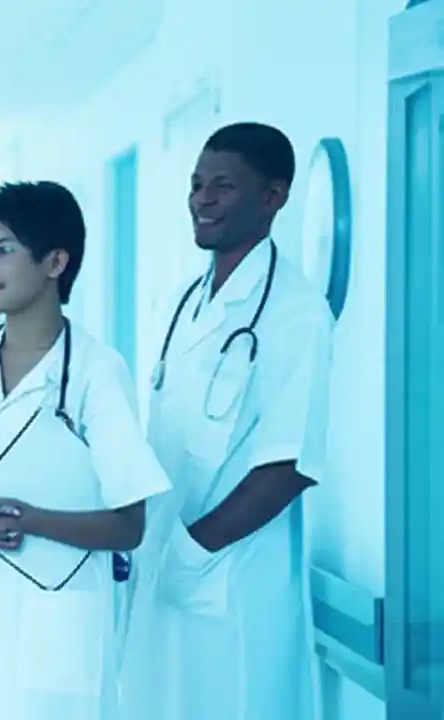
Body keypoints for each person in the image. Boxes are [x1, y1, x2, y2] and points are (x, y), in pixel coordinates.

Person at [0, 181, 171, 719]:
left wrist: (31, 519)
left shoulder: (94, 371)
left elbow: (128, 526)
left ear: (55, 263)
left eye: (4, 249)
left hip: (55, 618)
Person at [119, 122, 334, 720]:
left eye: (223, 186)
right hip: (163, 560)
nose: (202, 199)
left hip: (230, 579)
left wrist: (193, 550)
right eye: (196, 184)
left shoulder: (296, 311)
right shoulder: (186, 301)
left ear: (273, 197)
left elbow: (289, 466)